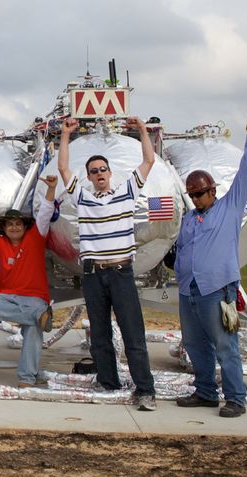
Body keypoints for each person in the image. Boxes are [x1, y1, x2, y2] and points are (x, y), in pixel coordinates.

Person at [57, 116, 157, 410]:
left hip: (120, 272)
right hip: (93, 274)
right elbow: (63, 168)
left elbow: (149, 161)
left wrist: (141, 131)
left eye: (103, 169)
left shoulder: (128, 192)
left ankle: (145, 390)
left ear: (110, 172)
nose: (99, 174)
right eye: (93, 171)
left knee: (132, 333)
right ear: (88, 177)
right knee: (99, 334)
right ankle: (108, 381)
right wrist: (65, 136)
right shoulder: (83, 199)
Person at [174, 113, 247, 418]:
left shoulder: (229, 207)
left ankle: (236, 398)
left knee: (225, 345)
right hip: (189, 290)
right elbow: (184, 249)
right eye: (193, 195)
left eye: (200, 193)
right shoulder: (188, 218)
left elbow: (245, 173)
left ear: (212, 190)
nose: (197, 198)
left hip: (217, 289)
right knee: (196, 344)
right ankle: (205, 392)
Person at [0, 178, 60, 388]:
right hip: (8, 299)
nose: (14, 227)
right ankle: (38, 317)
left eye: (18, 224)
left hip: (35, 298)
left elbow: (44, 212)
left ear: (25, 227)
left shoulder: (36, 237)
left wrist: (51, 189)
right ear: (3, 228)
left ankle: (26, 378)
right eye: (10, 224)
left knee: (33, 330)